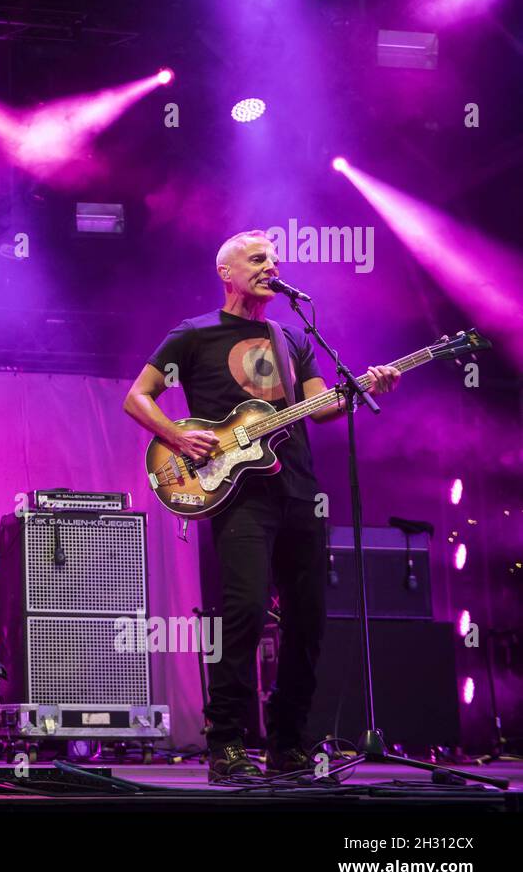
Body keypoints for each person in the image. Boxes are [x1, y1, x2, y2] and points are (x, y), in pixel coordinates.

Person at [123, 229, 399, 781]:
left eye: (273, 258)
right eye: (257, 259)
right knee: (245, 613)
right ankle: (225, 743)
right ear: (226, 272)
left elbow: (319, 409)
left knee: (309, 621)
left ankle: (288, 742)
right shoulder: (195, 333)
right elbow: (137, 397)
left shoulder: (291, 335)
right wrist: (176, 437)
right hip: (236, 493)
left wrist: (363, 387)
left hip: (298, 490)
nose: (269, 265)